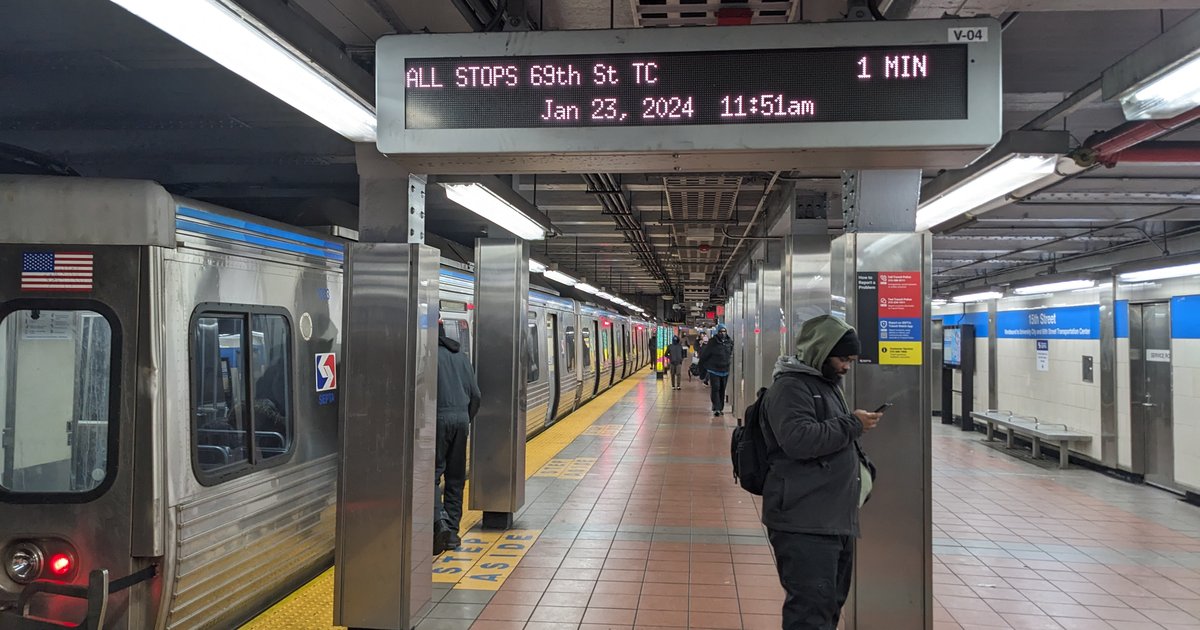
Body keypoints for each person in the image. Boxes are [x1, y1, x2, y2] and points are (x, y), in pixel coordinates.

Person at [760, 315, 882, 629]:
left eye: (851, 360)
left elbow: (832, 437)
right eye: (843, 359)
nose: (846, 366)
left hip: (831, 520)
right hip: (804, 522)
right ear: (821, 351)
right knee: (810, 614)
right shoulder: (791, 388)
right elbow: (798, 440)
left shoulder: (825, 386)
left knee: (828, 607)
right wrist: (854, 424)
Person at [434, 321, 481, 555]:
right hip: (462, 420)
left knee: (431, 475)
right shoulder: (461, 357)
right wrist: (465, 419)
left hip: (438, 420)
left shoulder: (428, 358)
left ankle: (438, 524)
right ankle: (452, 532)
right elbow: (476, 395)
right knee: (455, 478)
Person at [698, 324, 734, 416]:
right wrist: (701, 366)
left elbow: (731, 353)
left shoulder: (729, 342)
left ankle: (720, 407)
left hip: (725, 370)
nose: (723, 333)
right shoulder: (712, 342)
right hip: (714, 370)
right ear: (717, 332)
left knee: (722, 389)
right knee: (716, 388)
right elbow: (705, 355)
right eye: (721, 331)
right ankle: (716, 408)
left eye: (724, 331)